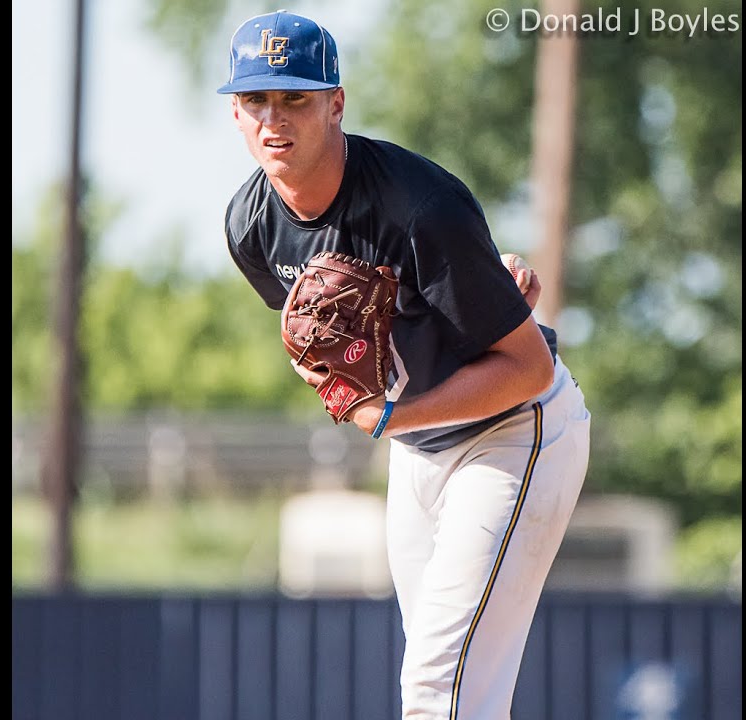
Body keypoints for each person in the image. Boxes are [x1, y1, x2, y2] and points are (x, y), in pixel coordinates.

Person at [217, 10, 592, 719]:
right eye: (255, 99)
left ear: (336, 102)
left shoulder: (420, 205)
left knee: (437, 688)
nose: (274, 117)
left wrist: (392, 414)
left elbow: (529, 367)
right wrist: (363, 396)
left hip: (513, 431)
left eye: (295, 96)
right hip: (417, 452)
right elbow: (320, 350)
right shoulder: (250, 229)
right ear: (235, 112)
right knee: (450, 691)